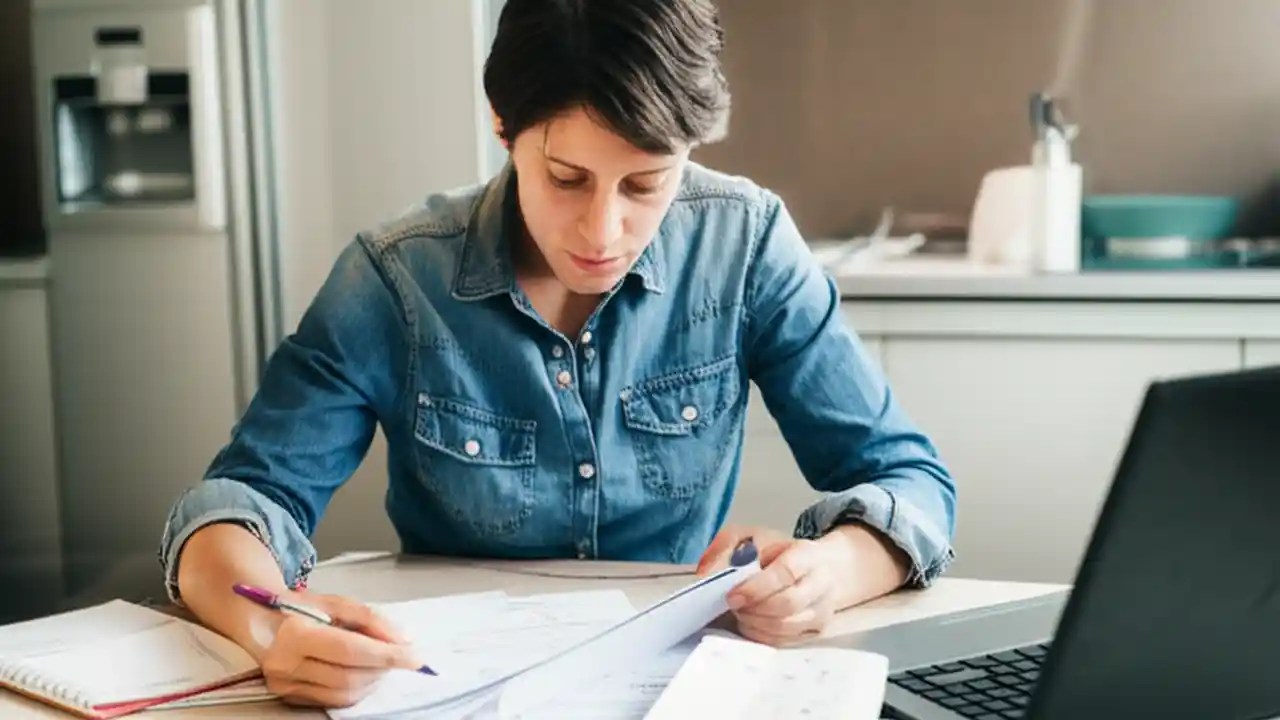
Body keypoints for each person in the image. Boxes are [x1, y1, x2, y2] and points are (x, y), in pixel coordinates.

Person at [158, 0, 956, 708]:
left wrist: (830, 573)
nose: (602, 232)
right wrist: (270, 629)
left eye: (646, 185)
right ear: (503, 127)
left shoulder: (743, 244)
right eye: (567, 178)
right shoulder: (397, 277)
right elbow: (238, 506)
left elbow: (911, 483)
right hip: (456, 692)